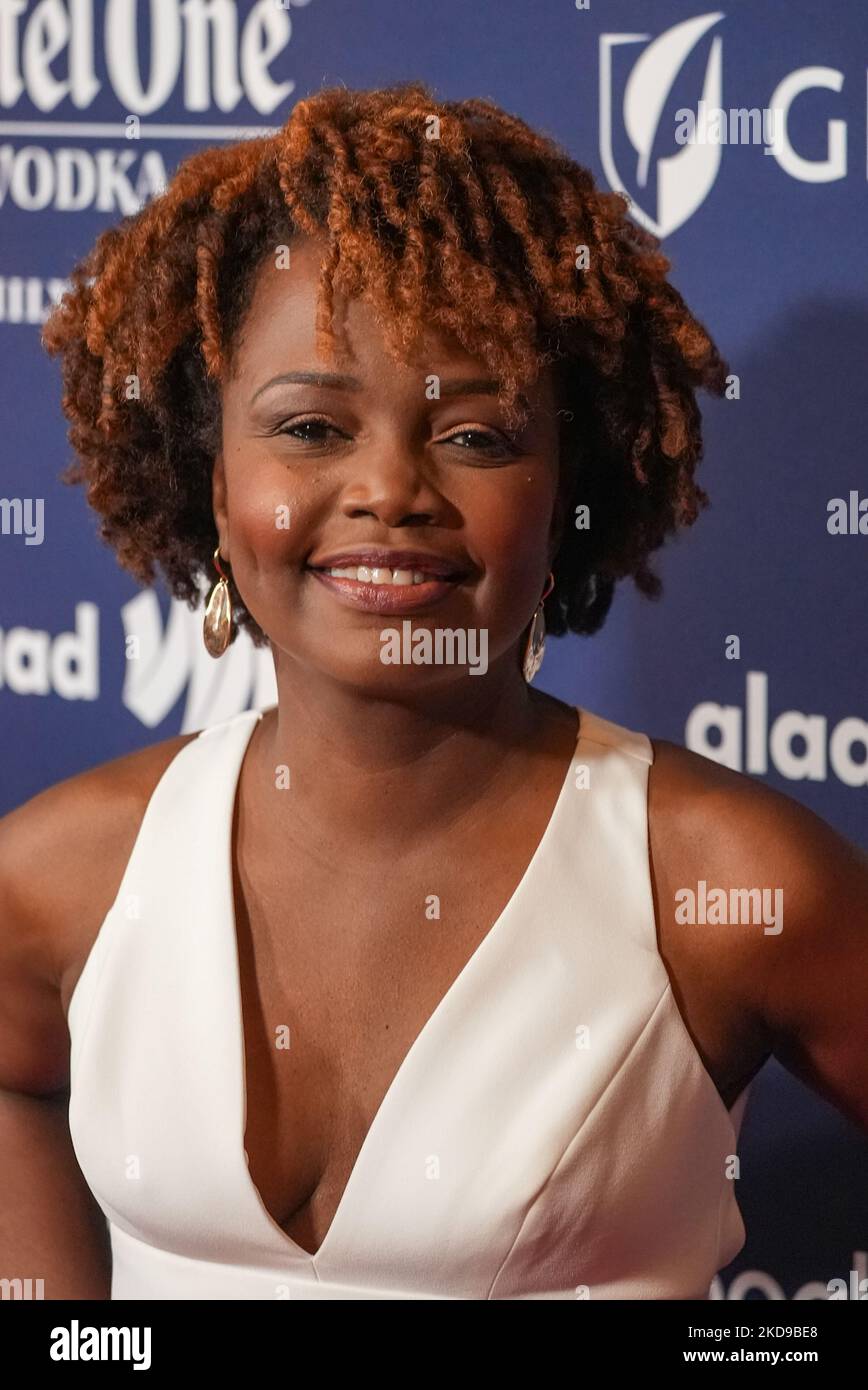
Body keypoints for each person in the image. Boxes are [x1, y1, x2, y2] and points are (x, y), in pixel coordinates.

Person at [2, 80, 866, 1301]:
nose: (391, 488)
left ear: (573, 490)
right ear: (211, 480)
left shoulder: (725, 883)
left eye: (474, 437)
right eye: (309, 428)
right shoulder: (56, 879)